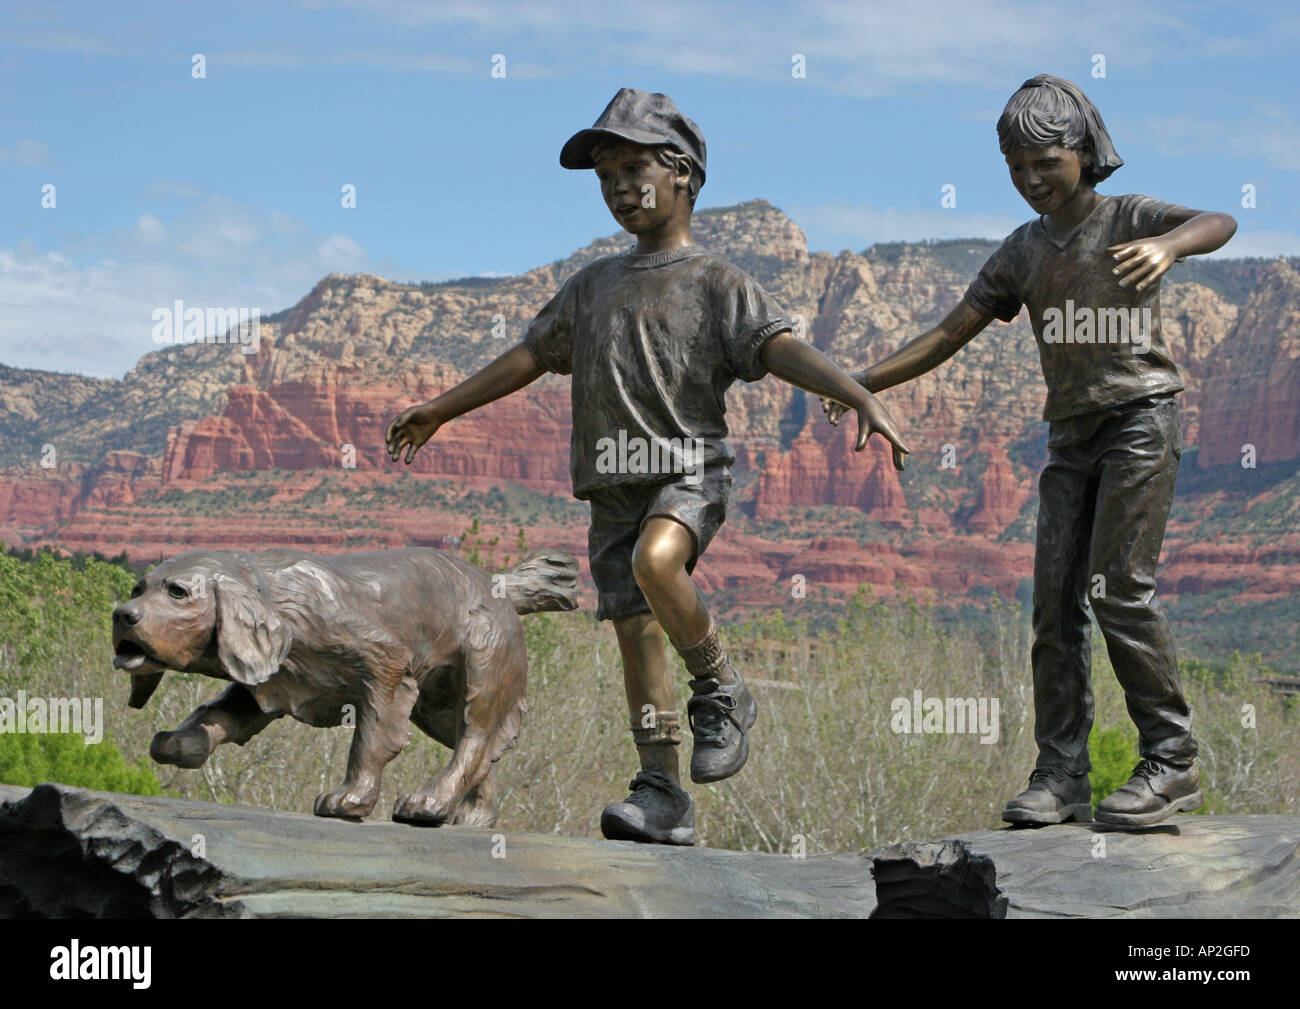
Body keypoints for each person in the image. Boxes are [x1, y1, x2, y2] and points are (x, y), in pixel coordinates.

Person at [387, 88, 908, 844]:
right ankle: (661, 788)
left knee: (659, 564)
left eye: (635, 169)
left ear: (684, 174)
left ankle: (722, 685)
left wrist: (856, 390)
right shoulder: (593, 285)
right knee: (634, 634)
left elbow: (777, 346)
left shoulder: (717, 282)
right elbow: (531, 355)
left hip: (687, 470)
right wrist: (443, 407)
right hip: (611, 483)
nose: (620, 188)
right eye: (605, 177)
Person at [824, 74, 1236, 827]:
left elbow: (1220, 220)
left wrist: (1169, 247)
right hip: (1071, 435)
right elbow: (948, 334)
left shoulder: (1128, 215)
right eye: (1017, 166)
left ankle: (1171, 760)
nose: (1031, 179)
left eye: (1046, 161)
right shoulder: (1020, 252)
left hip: (1141, 418)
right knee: (1053, 606)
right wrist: (860, 382)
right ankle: (1060, 774)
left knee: (1119, 588)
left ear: (1085, 150)